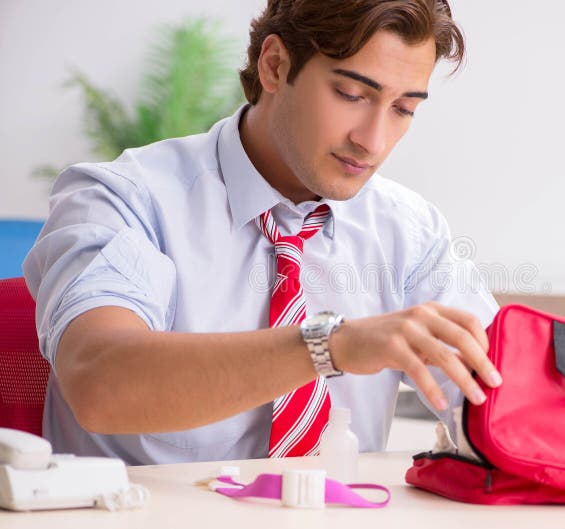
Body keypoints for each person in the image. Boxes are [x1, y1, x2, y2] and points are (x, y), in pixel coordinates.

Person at [23, 0, 502, 465]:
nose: (373, 141)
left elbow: (502, 396)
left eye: (403, 108)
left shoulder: (409, 231)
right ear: (274, 65)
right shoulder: (126, 199)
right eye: (352, 95)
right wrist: (329, 345)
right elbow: (100, 384)